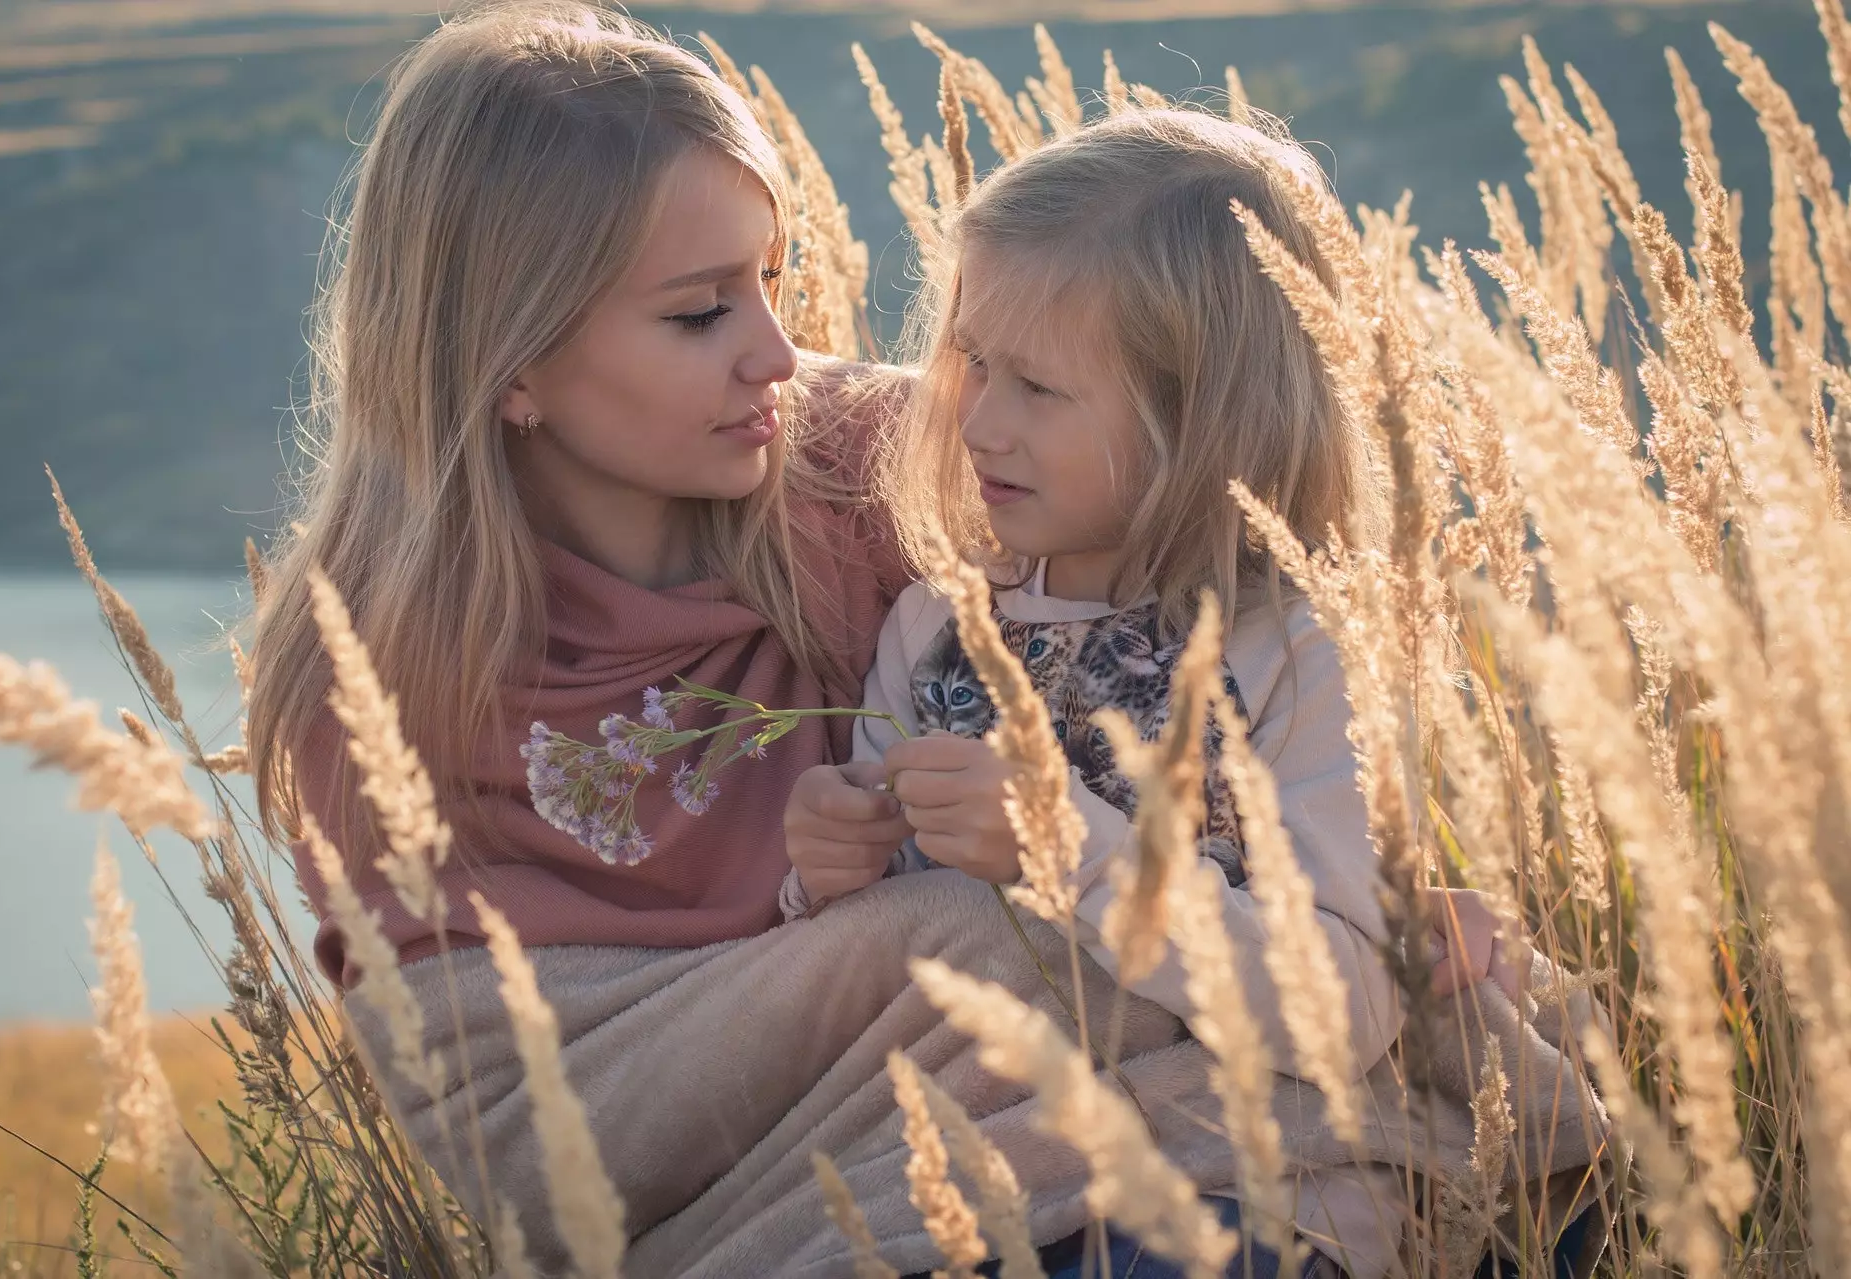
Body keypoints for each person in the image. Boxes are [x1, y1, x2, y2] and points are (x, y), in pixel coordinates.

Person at [243, 5, 1543, 1274]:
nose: (777, 351)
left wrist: (1342, 888)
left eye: (775, 279)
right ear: (508, 360)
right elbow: (499, 1113)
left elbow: (1201, 560)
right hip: (696, 1114)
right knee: (971, 940)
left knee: (1005, 948)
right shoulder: (368, 667)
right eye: (701, 311)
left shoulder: (875, 464)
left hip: (1008, 1090)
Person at [781, 106, 1400, 1278]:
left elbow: (1349, 1008)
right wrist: (822, 873)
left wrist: (1074, 847)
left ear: (1201, 411)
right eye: (971, 362)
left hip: (1244, 1191)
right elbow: (881, 970)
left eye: (1040, 388)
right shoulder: (939, 631)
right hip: (991, 1173)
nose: (978, 417)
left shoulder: (1298, 656)